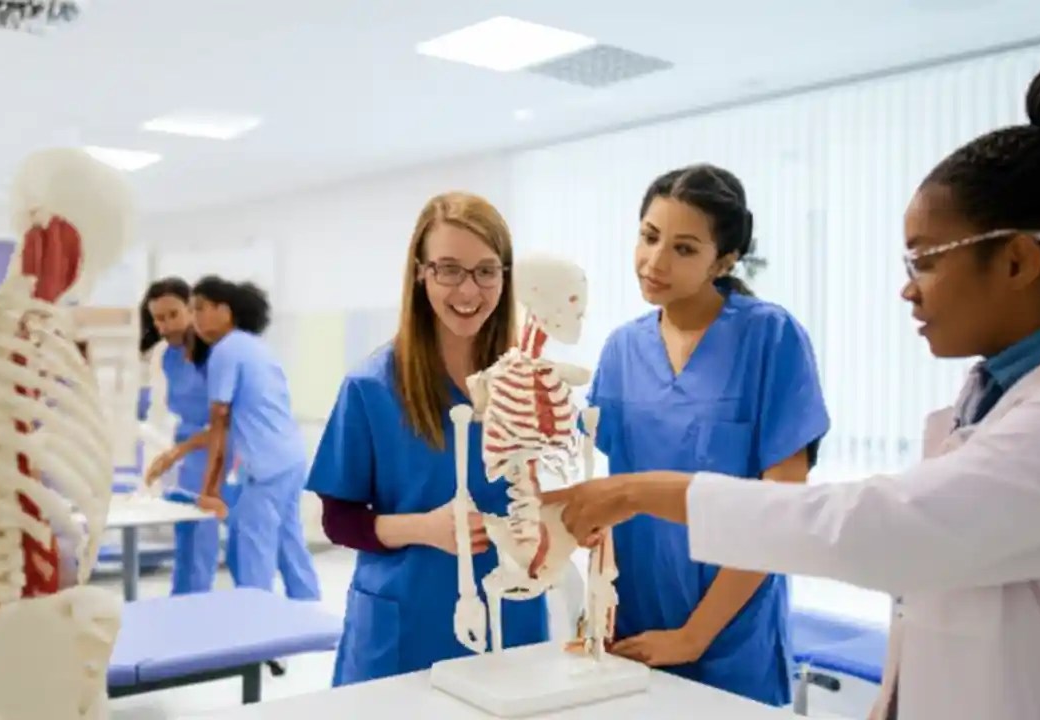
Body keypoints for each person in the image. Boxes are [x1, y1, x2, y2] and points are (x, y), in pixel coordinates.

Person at [543, 45, 1040, 720]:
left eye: (925, 261)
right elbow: (943, 598)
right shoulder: (993, 399)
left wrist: (635, 494)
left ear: (1016, 261)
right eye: (649, 236)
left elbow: (874, 529)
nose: (906, 290)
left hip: (731, 640)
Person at [576, 164, 829, 706]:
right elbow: (609, 488)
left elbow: (783, 504)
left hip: (731, 631)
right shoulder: (622, 350)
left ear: (725, 259)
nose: (655, 261)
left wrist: (695, 636)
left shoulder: (770, 337)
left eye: (684, 249)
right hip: (634, 619)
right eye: (649, 237)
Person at [306, 191, 549, 687]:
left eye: (486, 270)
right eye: (448, 269)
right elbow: (337, 521)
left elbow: (532, 493)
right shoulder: (371, 387)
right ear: (421, 272)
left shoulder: (523, 381)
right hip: (407, 622)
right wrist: (427, 528)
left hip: (511, 614)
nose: (468, 290)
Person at [188, 275, 322, 601]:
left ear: (226, 310)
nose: (196, 319)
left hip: (262, 466)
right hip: (290, 457)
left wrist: (210, 488)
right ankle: (310, 613)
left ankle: (255, 621)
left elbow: (220, 421)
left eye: (202, 308)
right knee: (289, 539)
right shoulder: (259, 348)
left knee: (252, 549)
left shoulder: (225, 351)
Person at [139, 276, 227, 594]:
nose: (165, 326)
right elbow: (158, 412)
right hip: (188, 453)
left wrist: (175, 453)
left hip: (221, 450)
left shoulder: (219, 353)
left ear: (191, 311)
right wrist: (159, 454)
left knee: (204, 541)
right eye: (158, 319)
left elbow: (227, 421)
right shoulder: (164, 355)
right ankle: (180, 608)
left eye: (172, 315)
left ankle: (198, 612)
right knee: (186, 539)